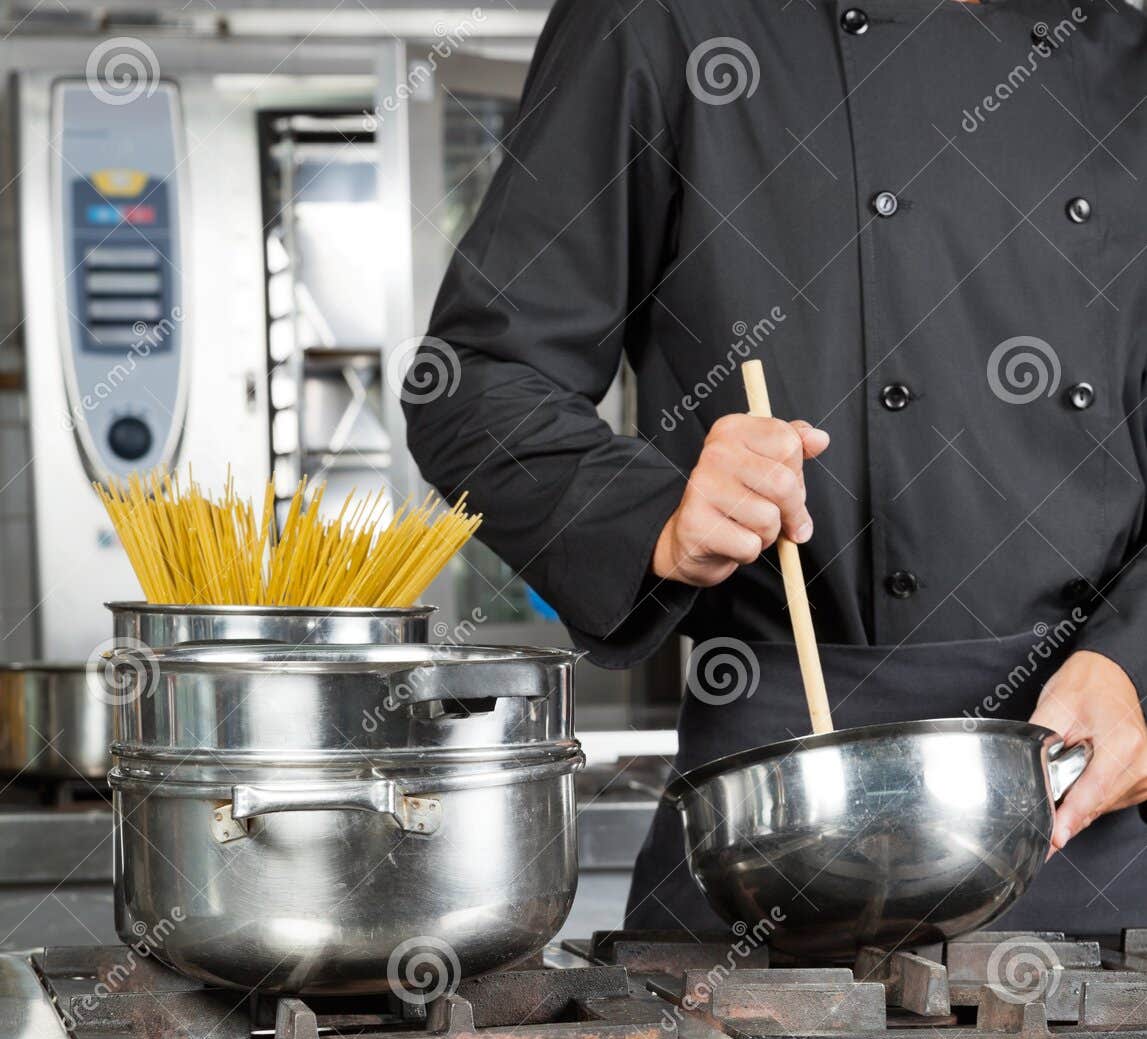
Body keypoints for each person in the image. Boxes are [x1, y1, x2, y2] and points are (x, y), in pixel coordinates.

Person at [405, 0, 1147, 936]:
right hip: (771, 840)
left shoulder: (1129, 64)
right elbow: (473, 383)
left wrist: (1136, 672)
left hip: (1093, 845)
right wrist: (657, 517)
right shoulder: (665, 22)